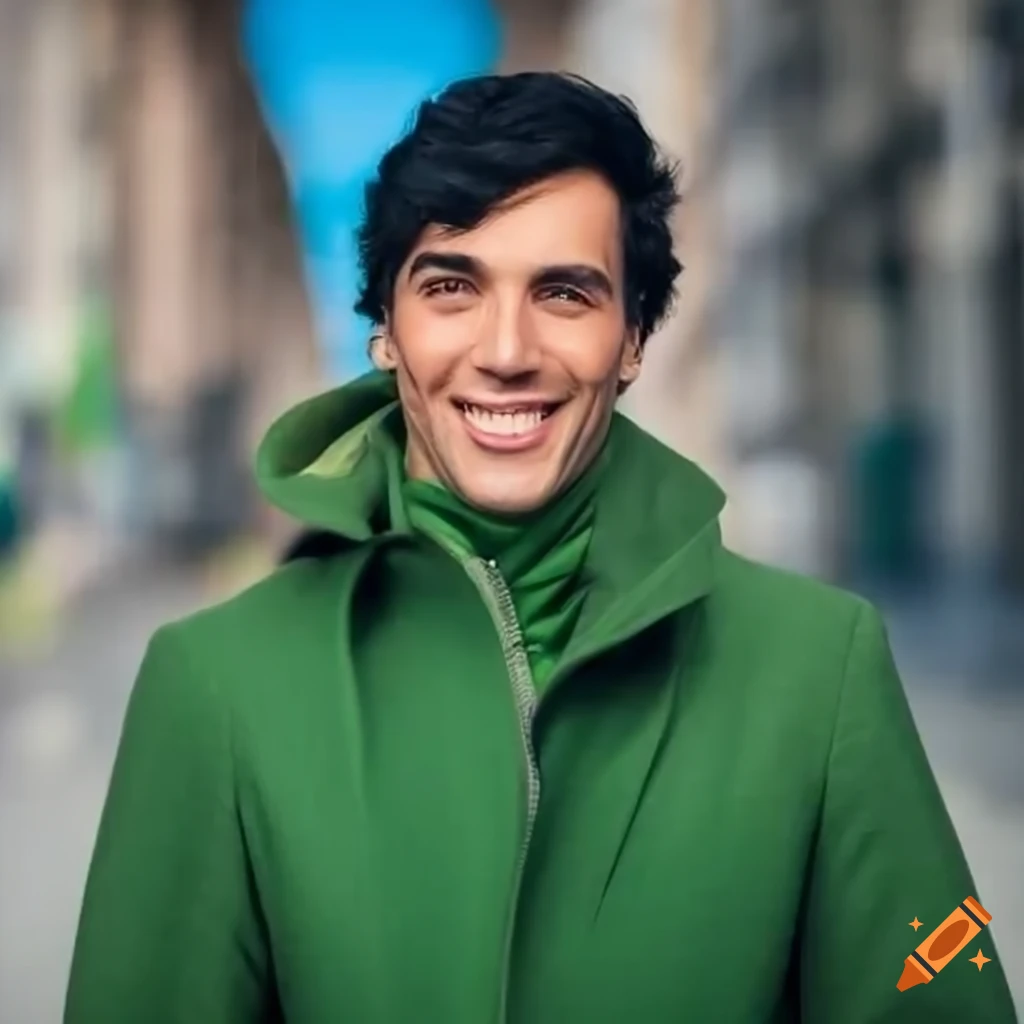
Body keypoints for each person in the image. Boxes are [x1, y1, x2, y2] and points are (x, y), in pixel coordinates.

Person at [65, 73, 1018, 1024]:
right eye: (450, 287)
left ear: (634, 336)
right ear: (385, 332)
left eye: (564, 292)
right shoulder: (216, 685)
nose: (506, 348)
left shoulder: (818, 671)